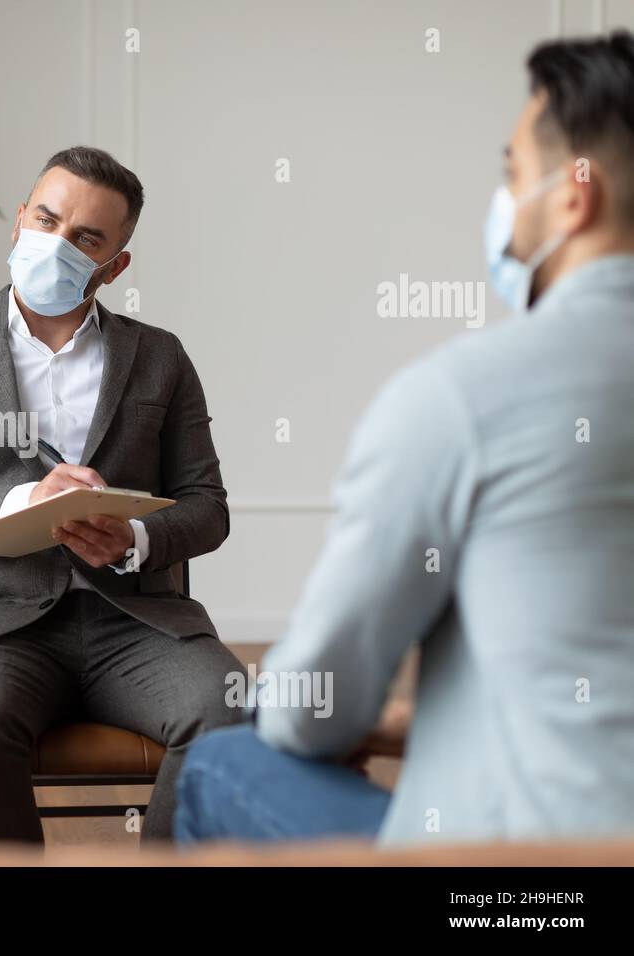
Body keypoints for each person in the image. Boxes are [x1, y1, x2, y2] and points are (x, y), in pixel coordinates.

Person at [175, 31, 634, 847]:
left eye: (512, 173)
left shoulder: (462, 398)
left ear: (573, 197)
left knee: (221, 764)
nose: (504, 200)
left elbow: (312, 708)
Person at [0, 146, 244, 843]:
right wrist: (21, 503)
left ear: (114, 266)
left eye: (86, 238)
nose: (58, 244)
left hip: (135, 620)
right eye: (47, 219)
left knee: (228, 711)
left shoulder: (161, 356)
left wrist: (135, 539)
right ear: (18, 221)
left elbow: (208, 505)